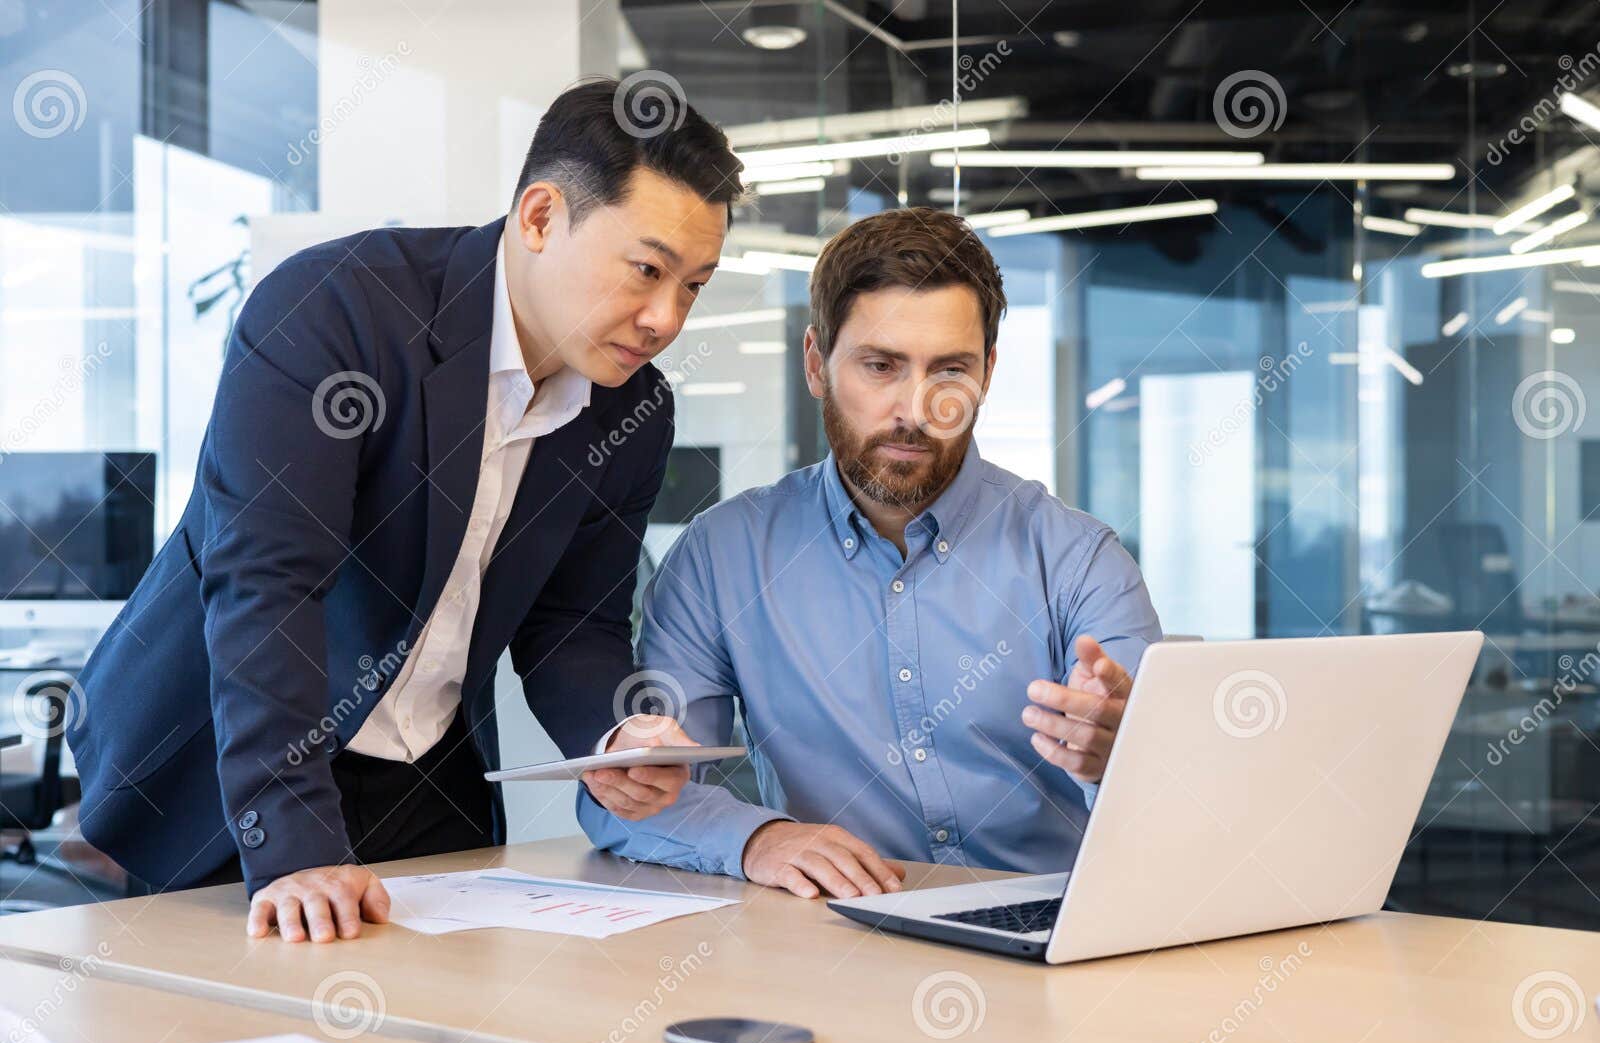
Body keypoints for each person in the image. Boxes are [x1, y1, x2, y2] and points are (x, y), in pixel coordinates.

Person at [67, 77, 740, 941]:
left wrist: (611, 735)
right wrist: (293, 842)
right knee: (230, 1039)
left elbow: (573, 622)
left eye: (694, 286)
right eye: (648, 270)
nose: (664, 318)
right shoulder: (336, 309)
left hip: (428, 771)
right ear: (539, 217)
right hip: (226, 764)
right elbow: (267, 588)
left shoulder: (631, 409)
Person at [578, 207, 1162, 899]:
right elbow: (627, 793)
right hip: (839, 940)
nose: (915, 409)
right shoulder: (722, 557)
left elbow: (1181, 806)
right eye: (880, 366)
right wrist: (758, 838)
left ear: (988, 372)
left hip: (1048, 940)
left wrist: (1125, 759)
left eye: (949, 369)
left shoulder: (1077, 559)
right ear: (817, 363)